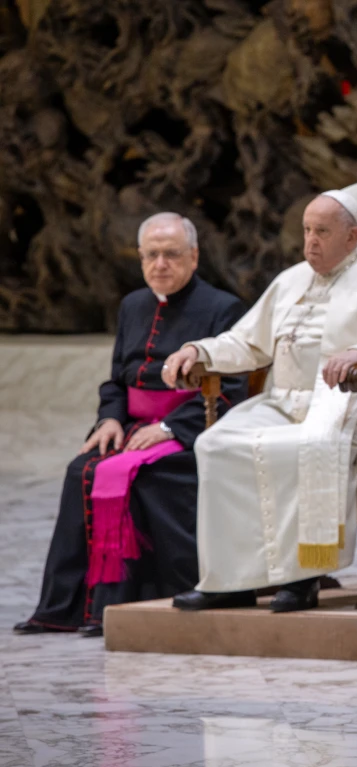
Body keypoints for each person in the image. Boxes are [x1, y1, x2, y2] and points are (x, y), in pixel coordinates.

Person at [161, 190, 357, 613]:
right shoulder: (289, 280)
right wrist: (200, 351)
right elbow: (247, 342)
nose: (310, 242)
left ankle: (303, 577)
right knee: (214, 444)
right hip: (283, 402)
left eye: (322, 232)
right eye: (307, 231)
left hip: (347, 405)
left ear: (352, 236)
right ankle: (229, 581)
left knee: (305, 446)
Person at [14, 214, 247, 638]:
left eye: (172, 254)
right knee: (81, 469)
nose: (161, 263)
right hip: (135, 425)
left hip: (192, 429)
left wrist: (172, 429)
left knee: (143, 474)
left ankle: (132, 604)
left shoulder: (223, 307)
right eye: (151, 255)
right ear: (140, 259)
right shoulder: (132, 305)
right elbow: (118, 380)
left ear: (193, 257)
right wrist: (109, 418)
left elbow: (232, 386)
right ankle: (66, 610)